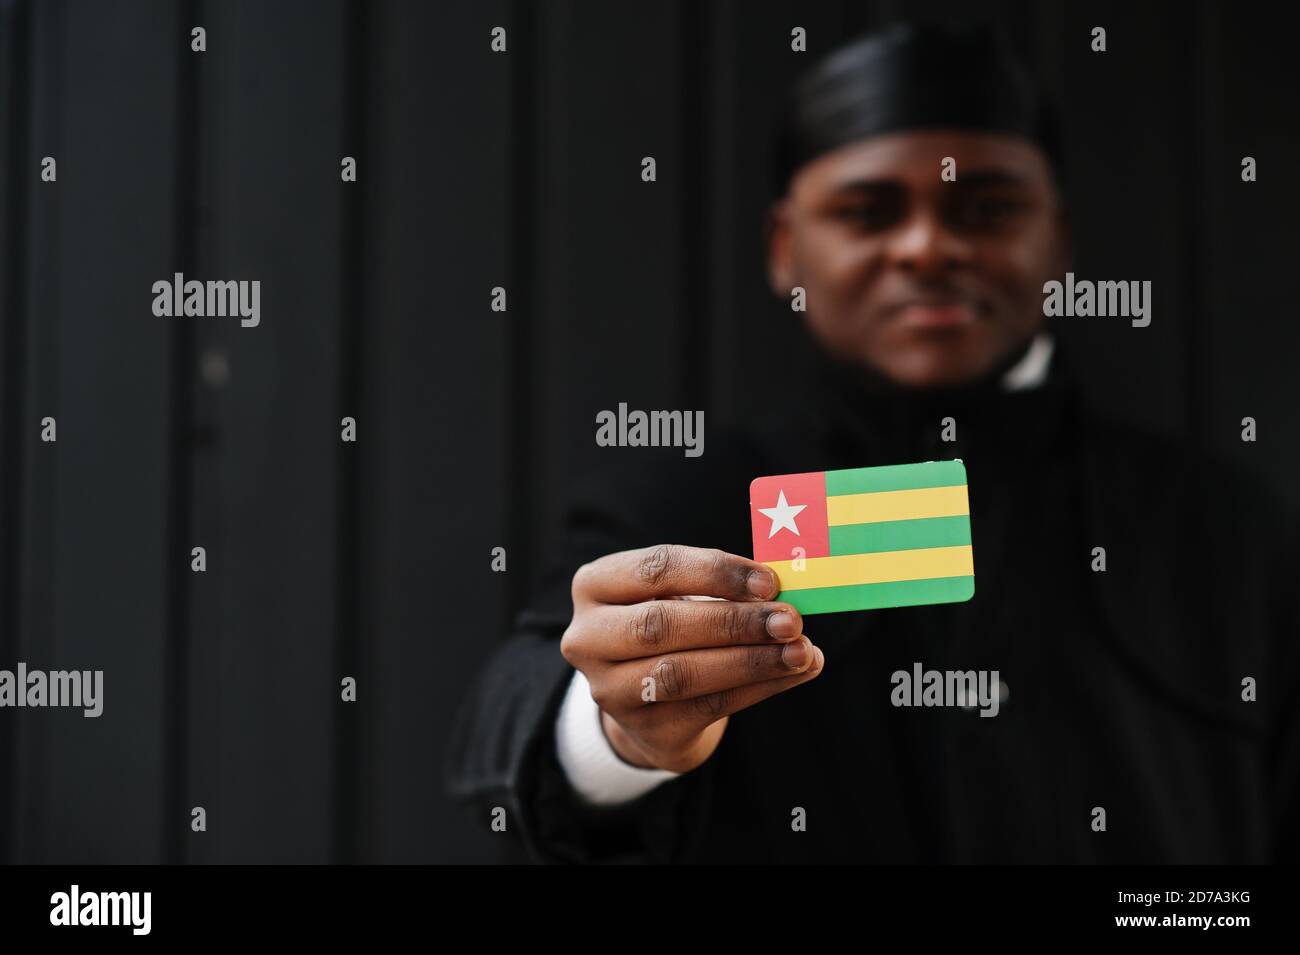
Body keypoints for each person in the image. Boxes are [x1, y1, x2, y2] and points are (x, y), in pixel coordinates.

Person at [445, 20, 1300, 863]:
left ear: (1060, 240)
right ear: (787, 247)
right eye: (868, 211)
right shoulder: (681, 508)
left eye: (989, 207)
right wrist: (617, 727)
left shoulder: (1222, 529)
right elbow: (512, 703)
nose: (929, 247)